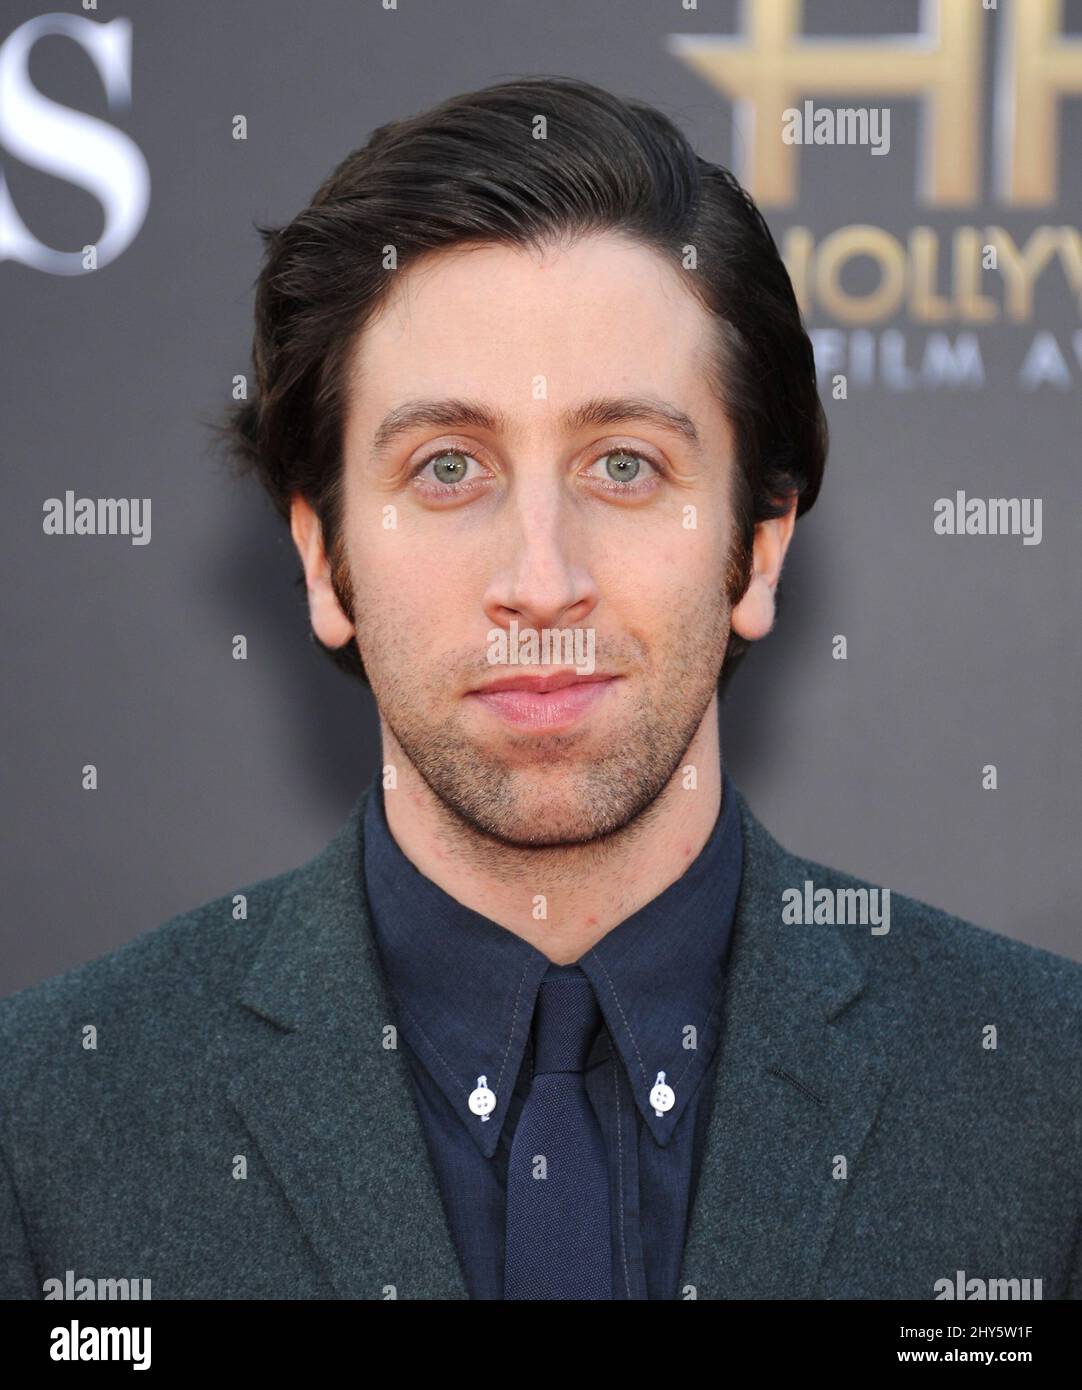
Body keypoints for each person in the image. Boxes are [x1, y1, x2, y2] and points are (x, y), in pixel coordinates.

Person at [2, 77, 1079, 1302]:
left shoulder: (1048, 1098)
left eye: (623, 464)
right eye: (447, 466)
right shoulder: (44, 1126)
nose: (540, 579)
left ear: (759, 544)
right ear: (321, 555)